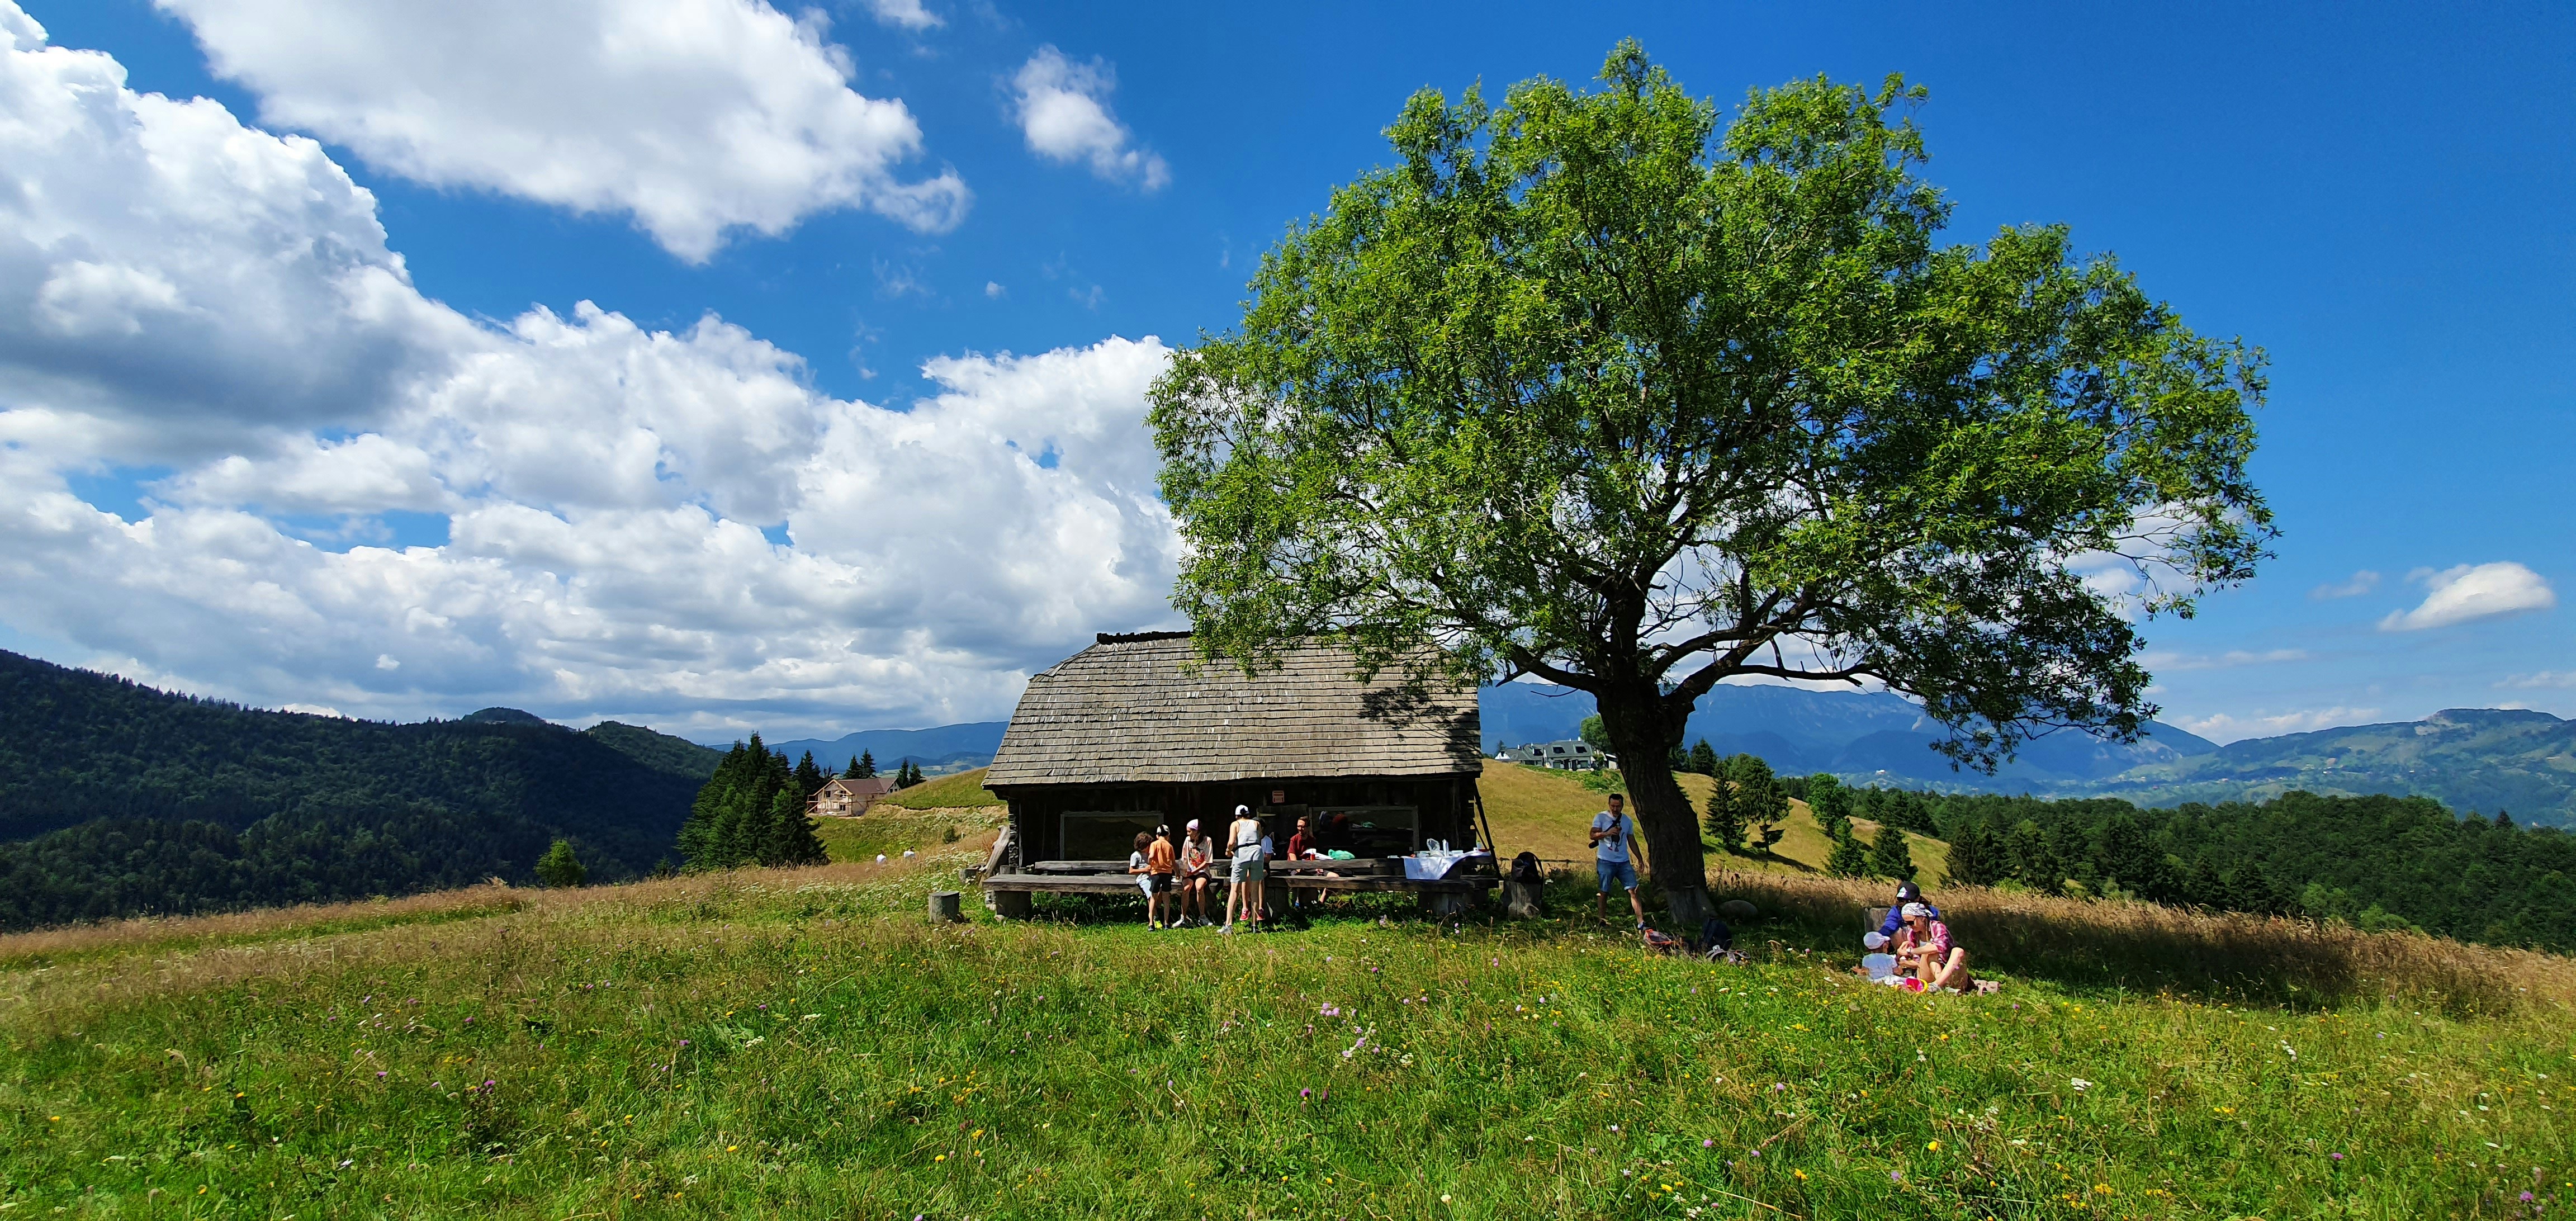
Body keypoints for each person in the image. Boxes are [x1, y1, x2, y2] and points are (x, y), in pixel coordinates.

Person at [1590, 793, 1647, 929]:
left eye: (1618, 806)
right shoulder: (1601, 817)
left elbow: (1632, 840)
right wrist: (1606, 833)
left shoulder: (1627, 821)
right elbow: (1593, 835)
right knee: (1604, 891)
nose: (1615, 809)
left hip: (1623, 862)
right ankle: (1602, 921)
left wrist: (1640, 859)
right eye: (1613, 806)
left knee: (1633, 889)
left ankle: (1641, 923)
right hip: (1605, 861)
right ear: (1609, 805)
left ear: (1622, 806)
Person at [1893, 901, 1973, 991]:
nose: (1910, 926)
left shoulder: (1937, 927)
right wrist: (1904, 961)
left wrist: (1910, 951)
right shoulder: (1912, 934)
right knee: (1929, 952)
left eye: (1911, 922)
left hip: (1949, 971)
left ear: (1922, 918)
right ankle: (1939, 986)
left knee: (1958, 951)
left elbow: (1938, 947)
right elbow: (1919, 962)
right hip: (1926, 975)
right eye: (1906, 923)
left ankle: (1939, 986)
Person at [1224, 804, 1267, 934]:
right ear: (1248, 814)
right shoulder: (1256, 823)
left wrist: (1228, 851)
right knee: (1255, 890)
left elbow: (1232, 842)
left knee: (1234, 890)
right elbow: (1259, 837)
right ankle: (1254, 925)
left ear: (1237, 816)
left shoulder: (1235, 824)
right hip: (1256, 853)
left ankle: (1229, 925)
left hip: (1241, 853)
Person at [1875, 879, 1940, 944]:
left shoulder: (1930, 911)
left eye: (1908, 901)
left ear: (1917, 899)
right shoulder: (1896, 911)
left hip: (1927, 941)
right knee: (1898, 932)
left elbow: (1934, 928)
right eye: (1901, 900)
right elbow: (1889, 927)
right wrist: (1877, 938)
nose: (1904, 904)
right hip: (1906, 942)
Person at [1177, 818, 1215, 927]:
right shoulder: (1187, 840)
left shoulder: (1208, 841)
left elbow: (1208, 861)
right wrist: (1184, 870)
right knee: (1186, 888)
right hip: (1189, 871)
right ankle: (1183, 917)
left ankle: (1202, 916)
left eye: (1190, 831)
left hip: (1202, 871)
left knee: (1199, 887)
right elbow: (1184, 857)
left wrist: (1196, 870)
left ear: (1197, 832)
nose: (1188, 834)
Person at [1144, 825, 1178, 929]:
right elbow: (1173, 862)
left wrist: (1151, 862)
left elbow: (1151, 857)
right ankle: (1167, 923)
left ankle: (1151, 923)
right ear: (1168, 835)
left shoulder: (1154, 844)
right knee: (1166, 898)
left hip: (1156, 873)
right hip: (1167, 873)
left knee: (1154, 897)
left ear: (1157, 835)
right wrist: (1177, 873)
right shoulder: (1169, 846)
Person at [1285, 815, 1322, 911]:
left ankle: (1313, 902)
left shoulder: (1312, 840)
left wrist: (1316, 867)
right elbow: (1292, 855)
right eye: (1298, 826)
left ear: (1308, 828)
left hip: (1309, 867)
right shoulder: (1294, 839)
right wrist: (1298, 868)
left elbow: (1313, 856)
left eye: (1303, 827)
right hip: (1296, 867)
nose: (1300, 829)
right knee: (1300, 876)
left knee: (1319, 876)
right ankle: (1298, 903)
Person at [1126, 831, 1158, 925]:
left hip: (1153, 876)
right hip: (1143, 878)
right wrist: (1144, 870)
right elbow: (1131, 871)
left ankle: (1157, 911)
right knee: (1151, 894)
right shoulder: (1136, 855)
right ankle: (1154, 917)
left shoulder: (1150, 853)